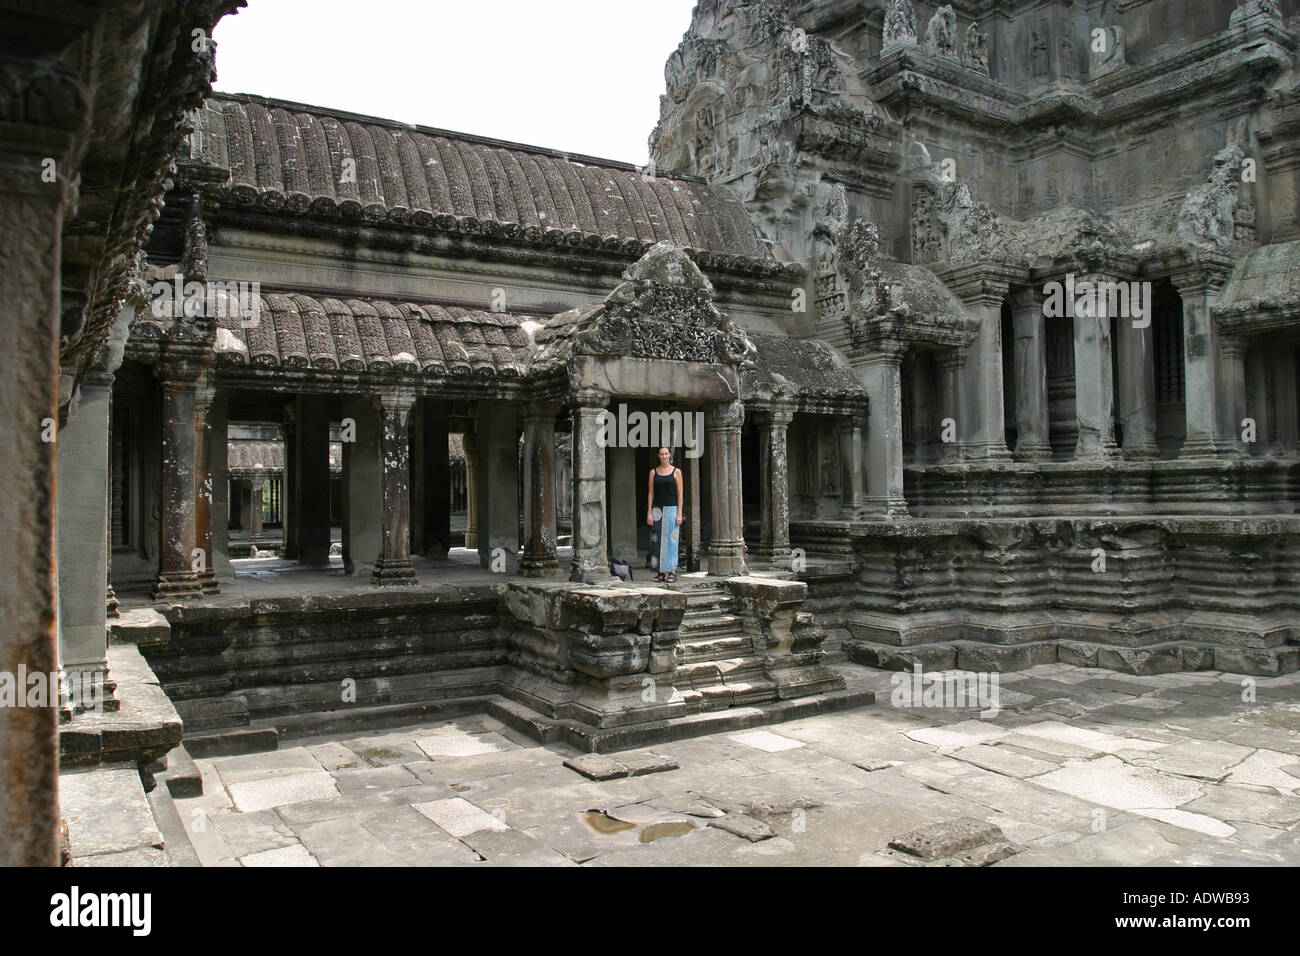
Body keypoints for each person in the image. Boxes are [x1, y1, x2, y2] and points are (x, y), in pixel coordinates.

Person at [646, 446, 684, 584]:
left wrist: (679, 513)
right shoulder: (653, 472)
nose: (664, 456)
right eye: (661, 454)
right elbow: (651, 493)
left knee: (672, 541)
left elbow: (680, 494)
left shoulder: (676, 472)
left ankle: (672, 572)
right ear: (658, 456)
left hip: (672, 509)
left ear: (669, 455)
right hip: (657, 510)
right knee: (657, 540)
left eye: (666, 454)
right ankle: (660, 572)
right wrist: (649, 512)